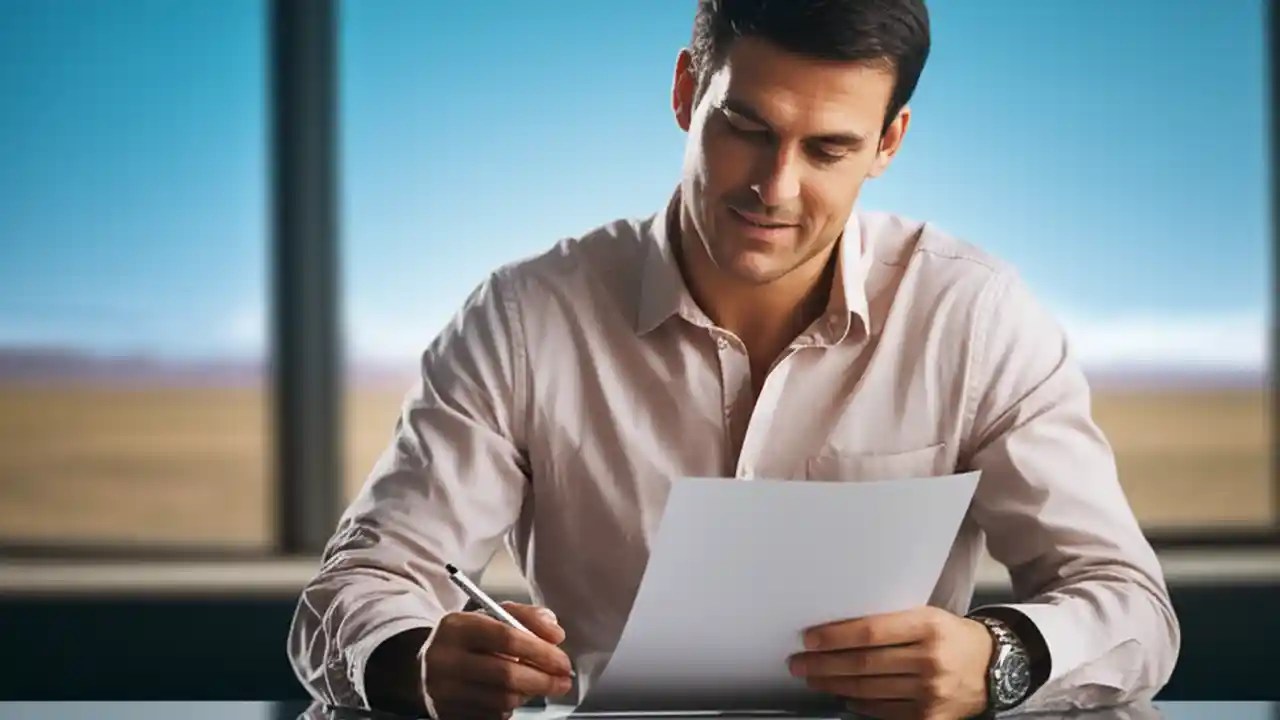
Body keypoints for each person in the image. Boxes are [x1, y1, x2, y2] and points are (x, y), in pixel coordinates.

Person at [288, 1, 1180, 718]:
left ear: (889, 143)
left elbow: (1129, 603)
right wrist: (413, 664)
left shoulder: (976, 317)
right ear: (686, 91)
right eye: (745, 128)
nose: (774, 187)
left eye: (827, 148)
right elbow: (359, 588)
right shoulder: (523, 319)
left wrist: (1002, 659)